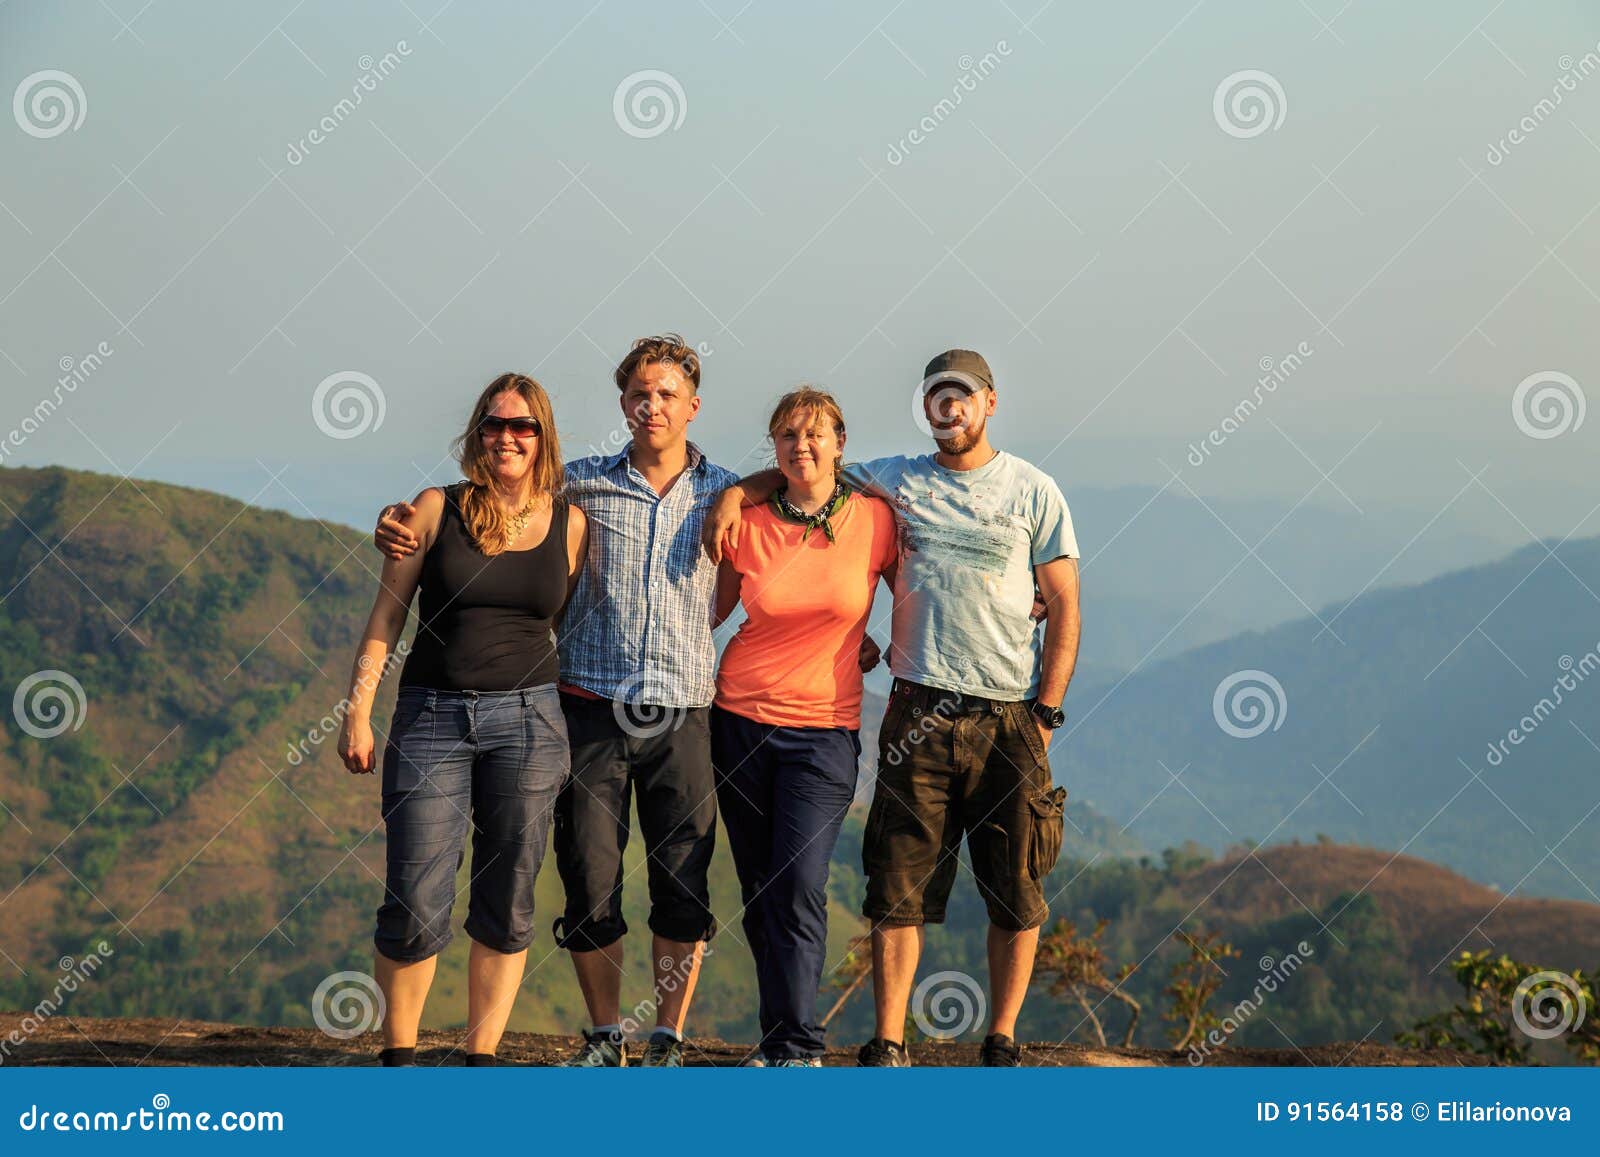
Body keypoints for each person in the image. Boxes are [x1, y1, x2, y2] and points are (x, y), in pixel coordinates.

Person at [704, 348, 1082, 1067]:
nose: (951, 408)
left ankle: (1000, 1037)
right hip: (917, 707)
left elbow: (1064, 604)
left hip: (1008, 712)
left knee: (1016, 883)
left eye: (963, 395)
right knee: (897, 884)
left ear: (989, 402)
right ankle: (887, 1039)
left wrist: (1046, 711)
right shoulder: (895, 483)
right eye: (938, 395)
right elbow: (804, 478)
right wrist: (735, 494)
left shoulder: (1034, 490)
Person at [375, 335, 734, 1067]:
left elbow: (803, 493)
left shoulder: (727, 488)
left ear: (693, 405)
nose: (652, 404)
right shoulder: (580, 488)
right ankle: (607, 1033)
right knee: (588, 874)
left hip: (685, 709)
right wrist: (398, 515)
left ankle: (665, 1036)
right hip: (588, 704)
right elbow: (499, 509)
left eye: (667, 393)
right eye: (640, 392)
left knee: (681, 881)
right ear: (623, 404)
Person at [338, 372, 588, 1067]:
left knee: (508, 897)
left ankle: (481, 1062)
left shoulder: (570, 524)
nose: (508, 437)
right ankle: (402, 1058)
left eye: (523, 426)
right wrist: (357, 711)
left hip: (531, 723)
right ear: (477, 434)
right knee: (415, 896)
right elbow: (387, 615)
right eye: (494, 424)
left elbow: (552, 623)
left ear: (542, 437)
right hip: (431, 718)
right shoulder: (432, 508)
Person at [710, 387, 897, 1067]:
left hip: (823, 732)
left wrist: (1022, 597)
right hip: (738, 720)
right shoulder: (750, 518)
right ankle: (776, 1041)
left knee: (799, 882)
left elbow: (922, 594)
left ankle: (800, 1046)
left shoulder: (878, 520)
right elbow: (710, 609)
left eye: (815, 434)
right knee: (761, 889)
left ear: (840, 443)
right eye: (787, 435)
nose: (802, 445)